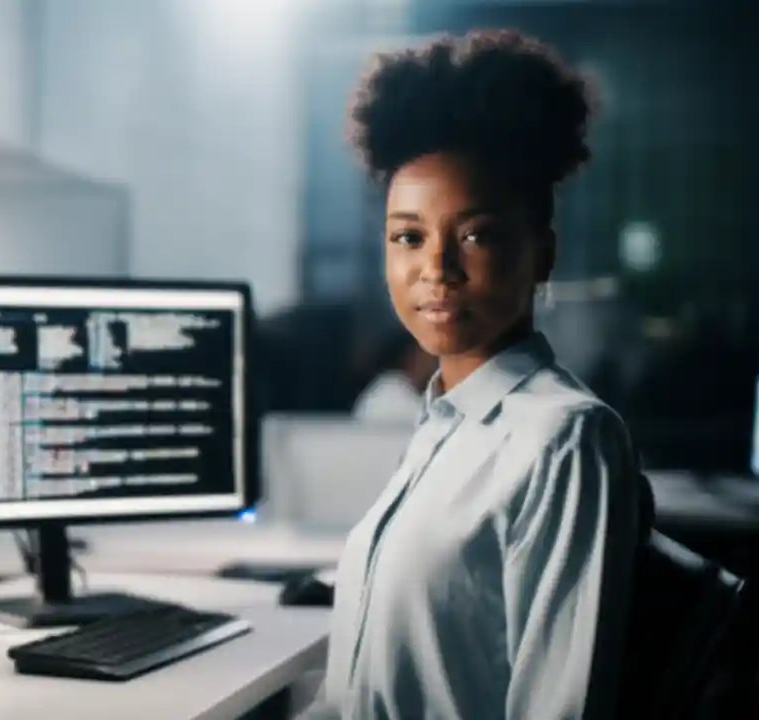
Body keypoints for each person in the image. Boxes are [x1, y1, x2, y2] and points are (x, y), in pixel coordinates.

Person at [301, 30, 642, 719]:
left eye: (477, 234)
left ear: (542, 253)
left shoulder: (564, 440)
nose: (437, 269)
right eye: (408, 236)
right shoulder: (441, 426)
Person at [352, 329, 436, 423]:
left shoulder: (433, 393)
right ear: (411, 358)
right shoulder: (388, 391)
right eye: (427, 356)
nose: (433, 363)